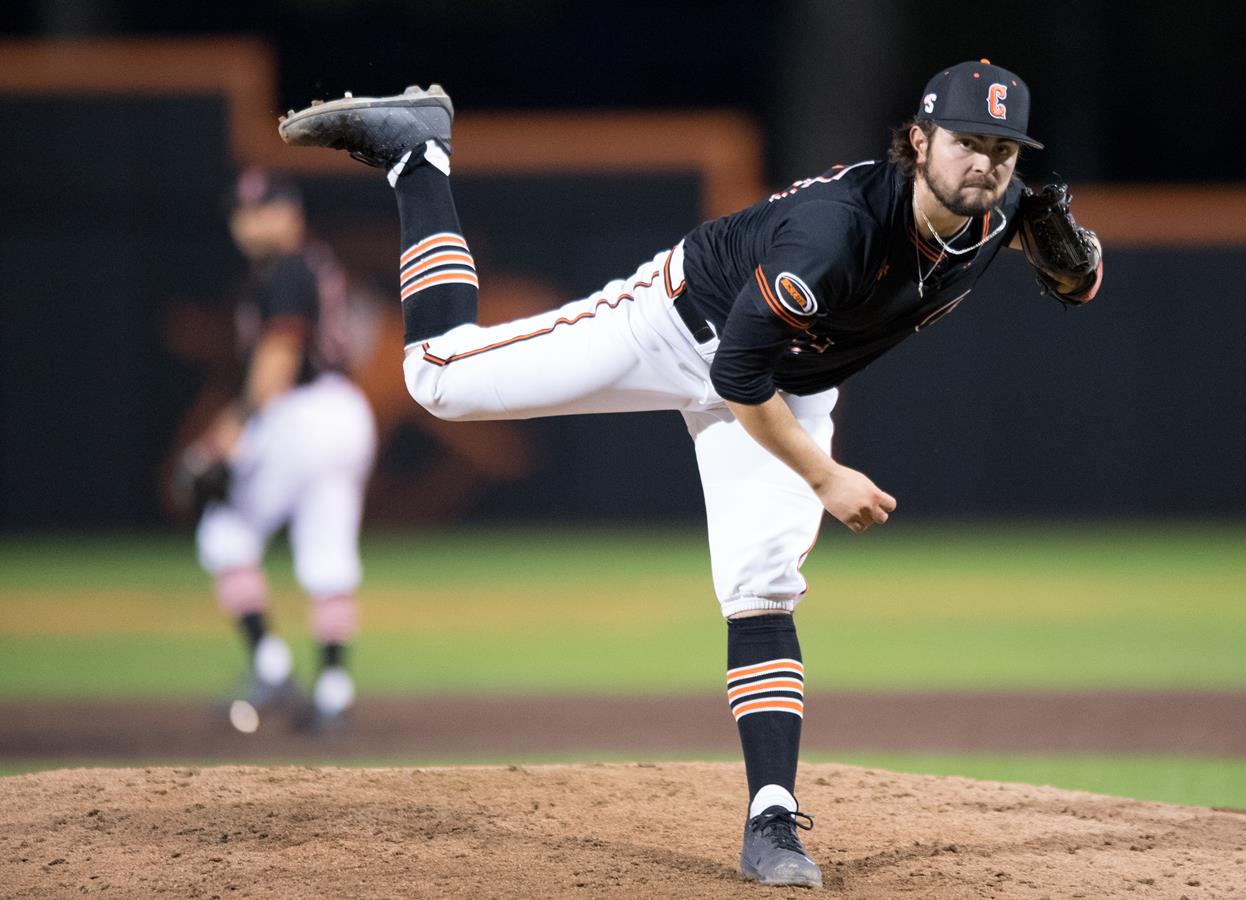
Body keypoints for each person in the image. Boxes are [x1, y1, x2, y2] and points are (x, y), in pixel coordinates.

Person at [278, 59, 1099, 887]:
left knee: (762, 587)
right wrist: (824, 477)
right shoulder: (836, 232)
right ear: (919, 141)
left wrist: (1076, 265)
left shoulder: (999, 212)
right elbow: (737, 375)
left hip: (791, 381)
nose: (985, 163)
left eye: (1003, 149)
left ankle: (772, 819)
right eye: (967, 142)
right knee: (437, 380)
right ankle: (419, 158)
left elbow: (1077, 273)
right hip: (677, 327)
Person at [177, 170, 377, 734]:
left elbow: (277, 365)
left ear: (291, 213)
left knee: (224, 533)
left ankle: (271, 666)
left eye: (262, 209)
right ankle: (334, 690)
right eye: (241, 213)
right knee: (329, 552)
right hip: (345, 410)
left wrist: (223, 439)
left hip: (299, 413)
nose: (249, 223)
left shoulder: (285, 271)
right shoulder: (316, 264)